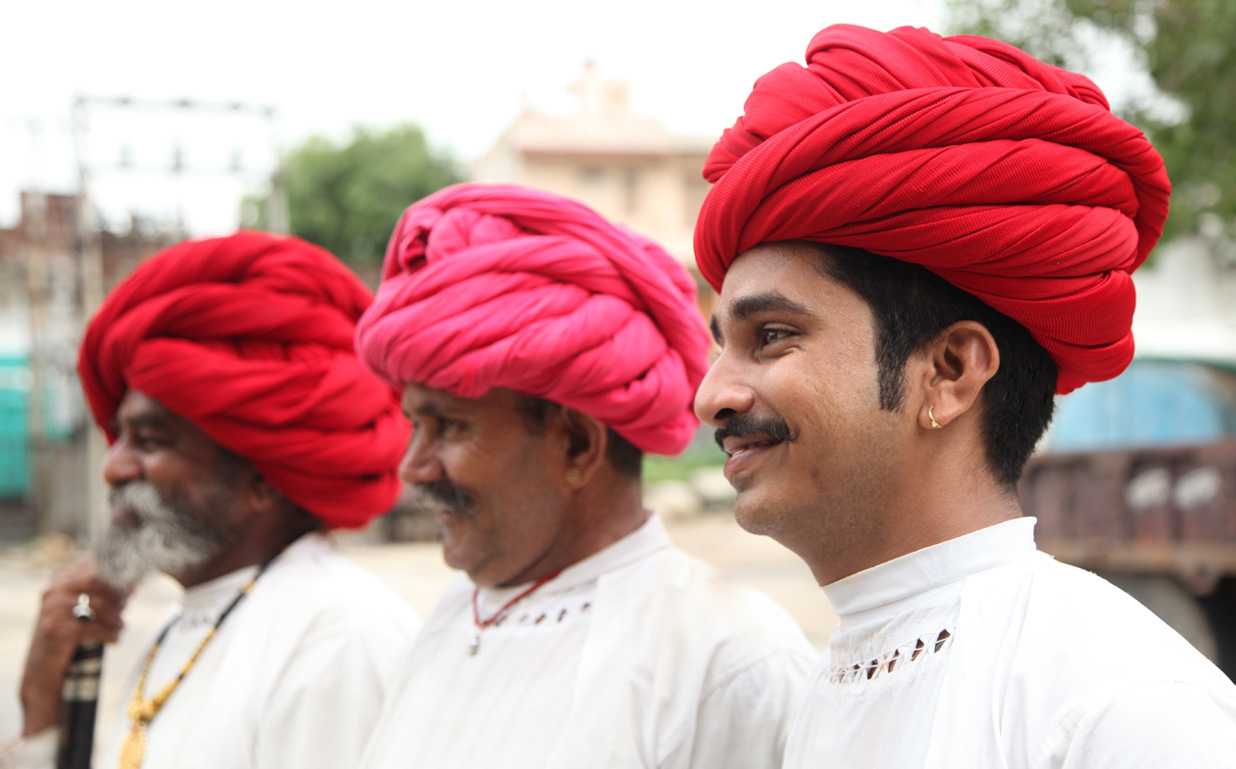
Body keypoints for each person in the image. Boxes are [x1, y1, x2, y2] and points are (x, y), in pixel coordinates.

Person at [693, 23, 1236, 769]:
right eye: (721, 341)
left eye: (774, 335)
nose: (711, 395)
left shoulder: (1117, 710)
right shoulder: (830, 682)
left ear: (950, 371)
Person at [352, 183, 814, 768]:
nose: (412, 466)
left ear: (575, 444)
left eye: (448, 427)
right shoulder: (454, 614)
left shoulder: (726, 661)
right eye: (415, 427)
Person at [4, 232, 420, 769]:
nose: (113, 466)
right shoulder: (186, 623)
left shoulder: (336, 637)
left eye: (150, 440)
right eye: (119, 435)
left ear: (262, 479)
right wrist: (42, 713)